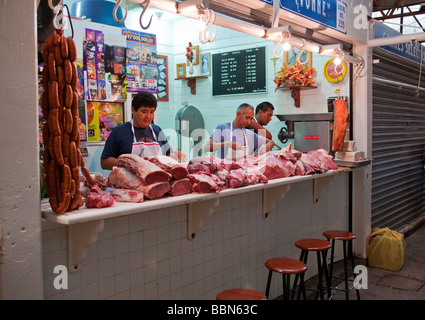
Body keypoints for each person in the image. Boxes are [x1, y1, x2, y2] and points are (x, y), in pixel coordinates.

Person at [100, 91, 185, 170]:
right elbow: (104, 162)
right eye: (144, 111)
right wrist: (126, 164)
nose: (148, 116)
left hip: (155, 181)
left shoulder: (157, 130)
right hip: (130, 183)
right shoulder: (119, 132)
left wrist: (175, 156)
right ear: (133, 110)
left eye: (151, 112)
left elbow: (168, 155)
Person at [204, 103, 272, 160]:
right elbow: (207, 147)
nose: (249, 122)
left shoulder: (248, 134)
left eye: (251, 119)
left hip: (242, 172)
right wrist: (228, 143)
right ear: (238, 114)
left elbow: (270, 141)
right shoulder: (222, 127)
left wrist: (266, 147)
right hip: (223, 171)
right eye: (247, 118)